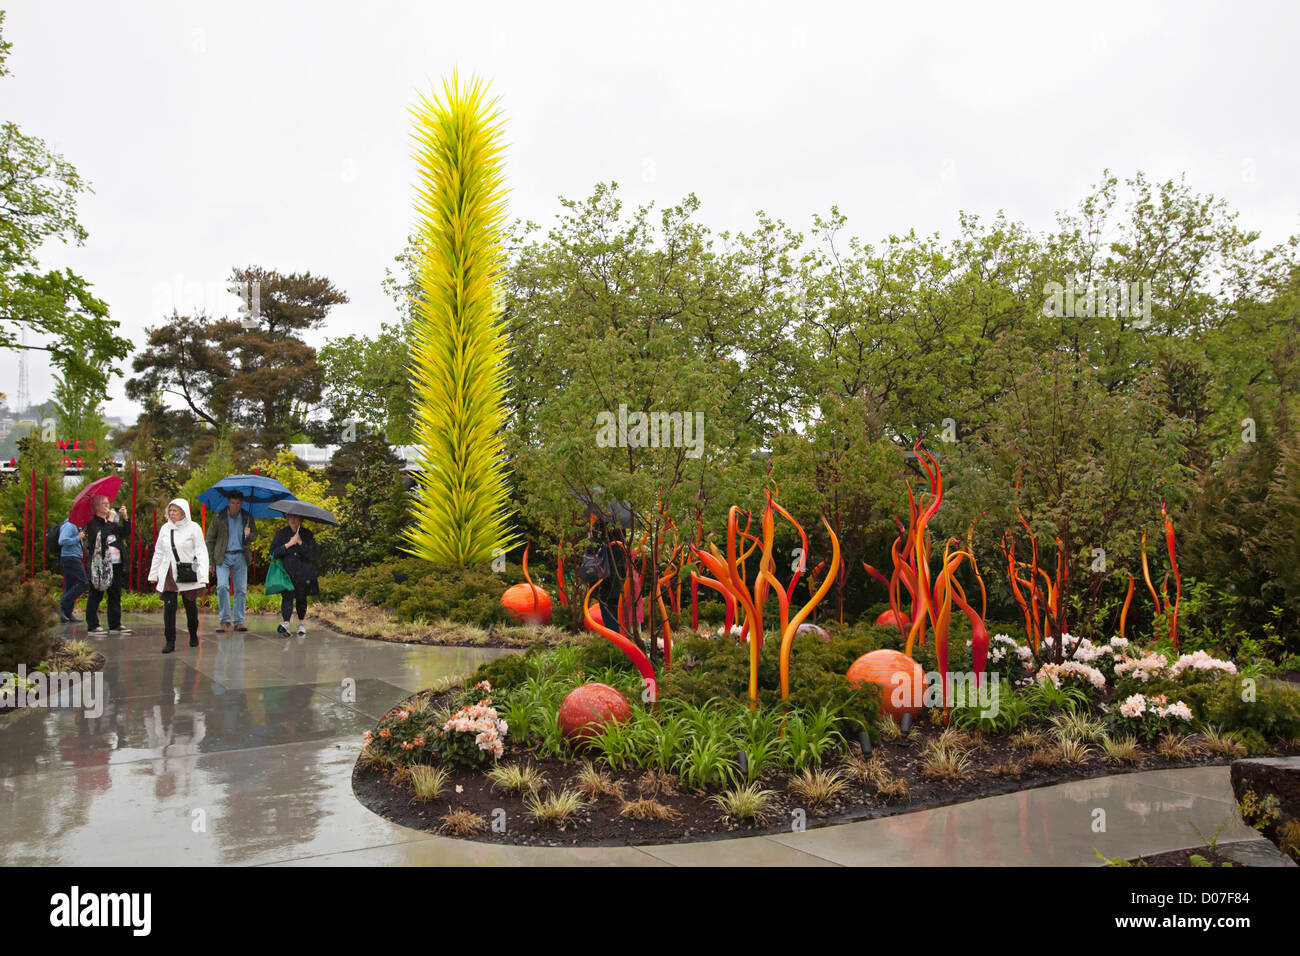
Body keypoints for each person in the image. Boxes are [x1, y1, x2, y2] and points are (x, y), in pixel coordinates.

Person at [147, 499, 210, 654]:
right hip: (168, 573)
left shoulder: (193, 528)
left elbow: (201, 551)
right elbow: (159, 552)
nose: (172, 513)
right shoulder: (165, 529)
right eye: (170, 510)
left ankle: (193, 634)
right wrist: (153, 574)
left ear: (184, 512)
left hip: (187, 573)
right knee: (169, 608)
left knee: (190, 606)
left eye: (175, 510)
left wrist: (203, 576)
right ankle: (170, 641)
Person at [204, 490, 257, 633]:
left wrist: (248, 534)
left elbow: (254, 536)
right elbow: (209, 539)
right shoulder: (219, 516)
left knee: (240, 590)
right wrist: (210, 561)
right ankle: (224, 621)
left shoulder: (247, 516)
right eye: (233, 503)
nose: (235, 506)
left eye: (238, 503)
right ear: (228, 502)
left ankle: (239, 621)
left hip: (240, 556)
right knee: (222, 586)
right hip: (223, 556)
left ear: (241, 503)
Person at [84, 495, 132, 635]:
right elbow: (101, 537)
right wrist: (110, 520)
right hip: (100, 565)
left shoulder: (110, 521)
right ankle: (93, 625)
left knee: (115, 593)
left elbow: (124, 533)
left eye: (108, 503)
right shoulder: (93, 523)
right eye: (103, 503)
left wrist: (125, 517)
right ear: (96, 506)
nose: (107, 505)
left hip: (115, 563)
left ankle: (115, 624)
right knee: (97, 593)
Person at [270, 514, 318, 637]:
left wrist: (300, 542)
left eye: (295, 518)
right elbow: (273, 552)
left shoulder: (307, 534)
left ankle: (301, 623)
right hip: (287, 571)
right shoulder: (281, 533)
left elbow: (312, 553)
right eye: (290, 517)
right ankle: (286, 623)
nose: (292, 520)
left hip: (303, 572)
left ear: (301, 519)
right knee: (287, 597)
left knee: (301, 598)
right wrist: (289, 544)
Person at [56, 516, 89, 624]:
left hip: (74, 557)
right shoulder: (70, 525)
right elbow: (62, 540)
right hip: (70, 557)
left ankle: (67, 613)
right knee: (83, 583)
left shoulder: (76, 526)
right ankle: (60, 604)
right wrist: (78, 538)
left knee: (70, 585)